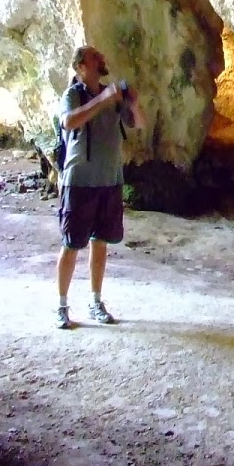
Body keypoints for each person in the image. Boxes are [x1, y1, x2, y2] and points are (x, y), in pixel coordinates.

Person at [55, 45, 141, 330]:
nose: (101, 58)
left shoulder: (111, 96)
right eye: (94, 56)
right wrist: (103, 99)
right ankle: (62, 305)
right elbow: (68, 121)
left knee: (100, 242)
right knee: (71, 244)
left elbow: (137, 124)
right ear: (80, 67)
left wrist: (132, 103)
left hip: (109, 179)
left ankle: (95, 301)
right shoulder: (74, 94)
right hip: (80, 180)